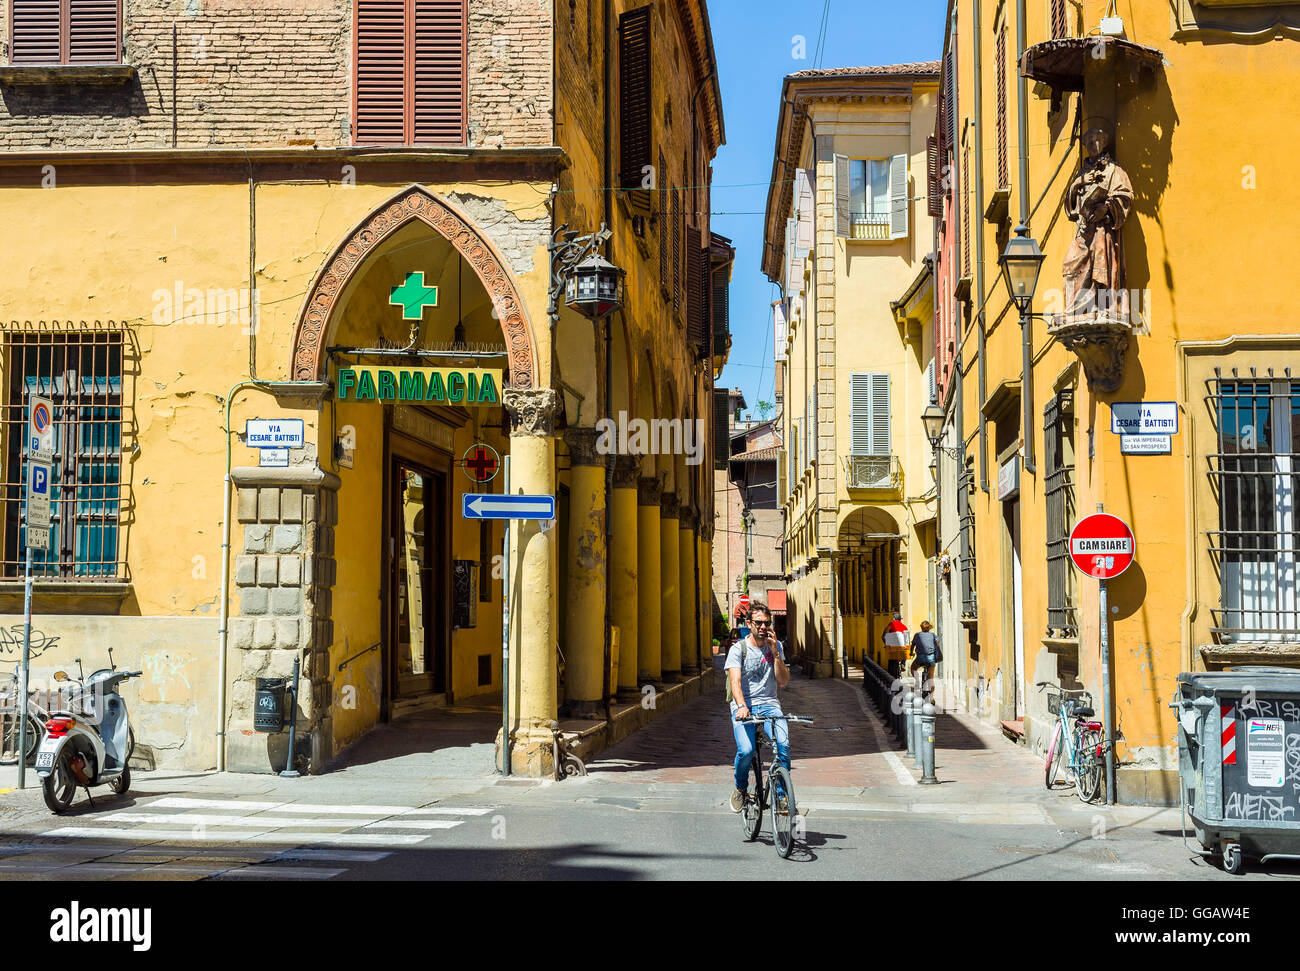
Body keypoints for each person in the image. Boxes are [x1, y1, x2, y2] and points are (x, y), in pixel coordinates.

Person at [725, 602, 790, 813]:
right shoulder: (738, 649)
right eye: (759, 623)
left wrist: (776, 654)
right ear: (749, 623)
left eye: (767, 623)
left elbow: (783, 682)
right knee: (746, 750)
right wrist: (742, 706)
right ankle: (740, 788)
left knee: (783, 745)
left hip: (770, 704)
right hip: (744, 705)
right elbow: (735, 682)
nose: (763, 627)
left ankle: (782, 798)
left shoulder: (776, 647)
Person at [910, 620, 941, 702]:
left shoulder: (917, 635)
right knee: (931, 679)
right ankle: (931, 698)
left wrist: (911, 653)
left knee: (912, 668)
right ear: (929, 628)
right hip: (931, 659)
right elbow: (937, 645)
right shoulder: (933, 635)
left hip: (920, 658)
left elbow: (912, 645)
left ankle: (917, 681)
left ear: (921, 627)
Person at [882, 612, 909, 677]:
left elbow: (884, 635)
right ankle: (903, 663)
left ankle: (890, 678)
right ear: (900, 619)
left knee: (891, 662)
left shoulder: (891, 624)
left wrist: (886, 643)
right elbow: (907, 639)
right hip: (902, 647)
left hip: (893, 647)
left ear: (894, 619)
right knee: (905, 650)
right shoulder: (904, 626)